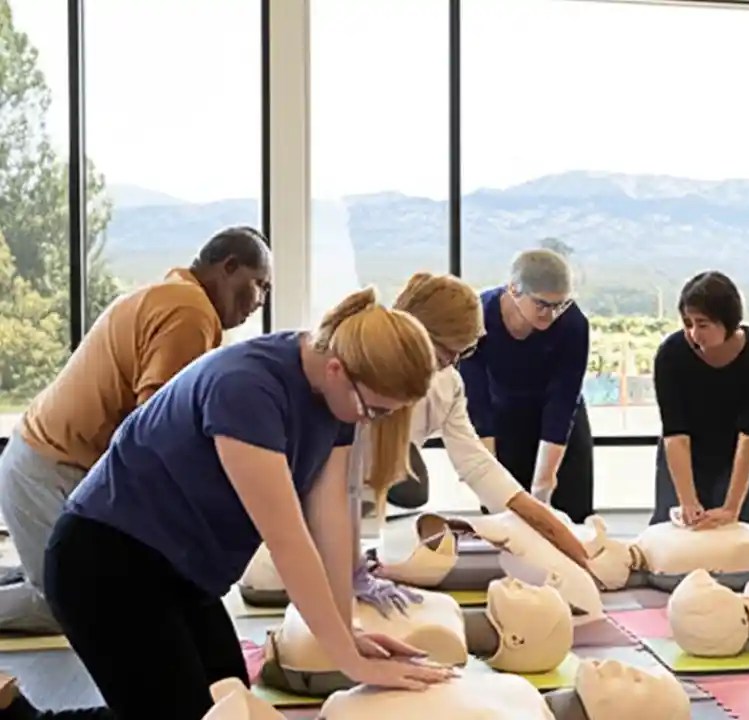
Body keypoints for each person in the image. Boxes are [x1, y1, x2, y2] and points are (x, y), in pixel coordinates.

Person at [1, 289, 454, 720]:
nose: (370, 420)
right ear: (337, 368)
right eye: (374, 410)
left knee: (230, 705)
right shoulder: (247, 388)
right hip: (106, 561)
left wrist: (345, 631)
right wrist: (350, 662)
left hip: (183, 572)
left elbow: (330, 520)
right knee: (191, 714)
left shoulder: (335, 400)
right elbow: (288, 539)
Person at [0, 226, 272, 634]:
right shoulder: (190, 312)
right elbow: (159, 432)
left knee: (86, 588)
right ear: (229, 267)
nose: (261, 300)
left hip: (53, 464)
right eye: (259, 285)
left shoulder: (176, 293)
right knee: (67, 604)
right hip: (48, 467)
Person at [387, 271, 589, 565]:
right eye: (445, 353)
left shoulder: (446, 384)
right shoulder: (363, 372)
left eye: (462, 353)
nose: (450, 364)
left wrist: (555, 531)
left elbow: (478, 464)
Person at [458, 249, 595, 523]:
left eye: (560, 305)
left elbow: (562, 401)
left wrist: (543, 487)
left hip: (559, 427)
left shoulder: (573, 324)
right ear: (514, 289)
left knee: (568, 516)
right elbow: (478, 404)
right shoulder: (478, 316)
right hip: (502, 422)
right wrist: (490, 481)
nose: (551, 314)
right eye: (542, 305)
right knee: (504, 515)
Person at [650, 271, 749, 536]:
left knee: (739, 528)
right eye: (688, 323)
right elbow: (674, 433)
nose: (694, 333)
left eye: (703, 324)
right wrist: (687, 500)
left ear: (728, 321)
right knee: (677, 529)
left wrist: (732, 508)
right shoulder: (671, 354)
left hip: (741, 449)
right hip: (684, 449)